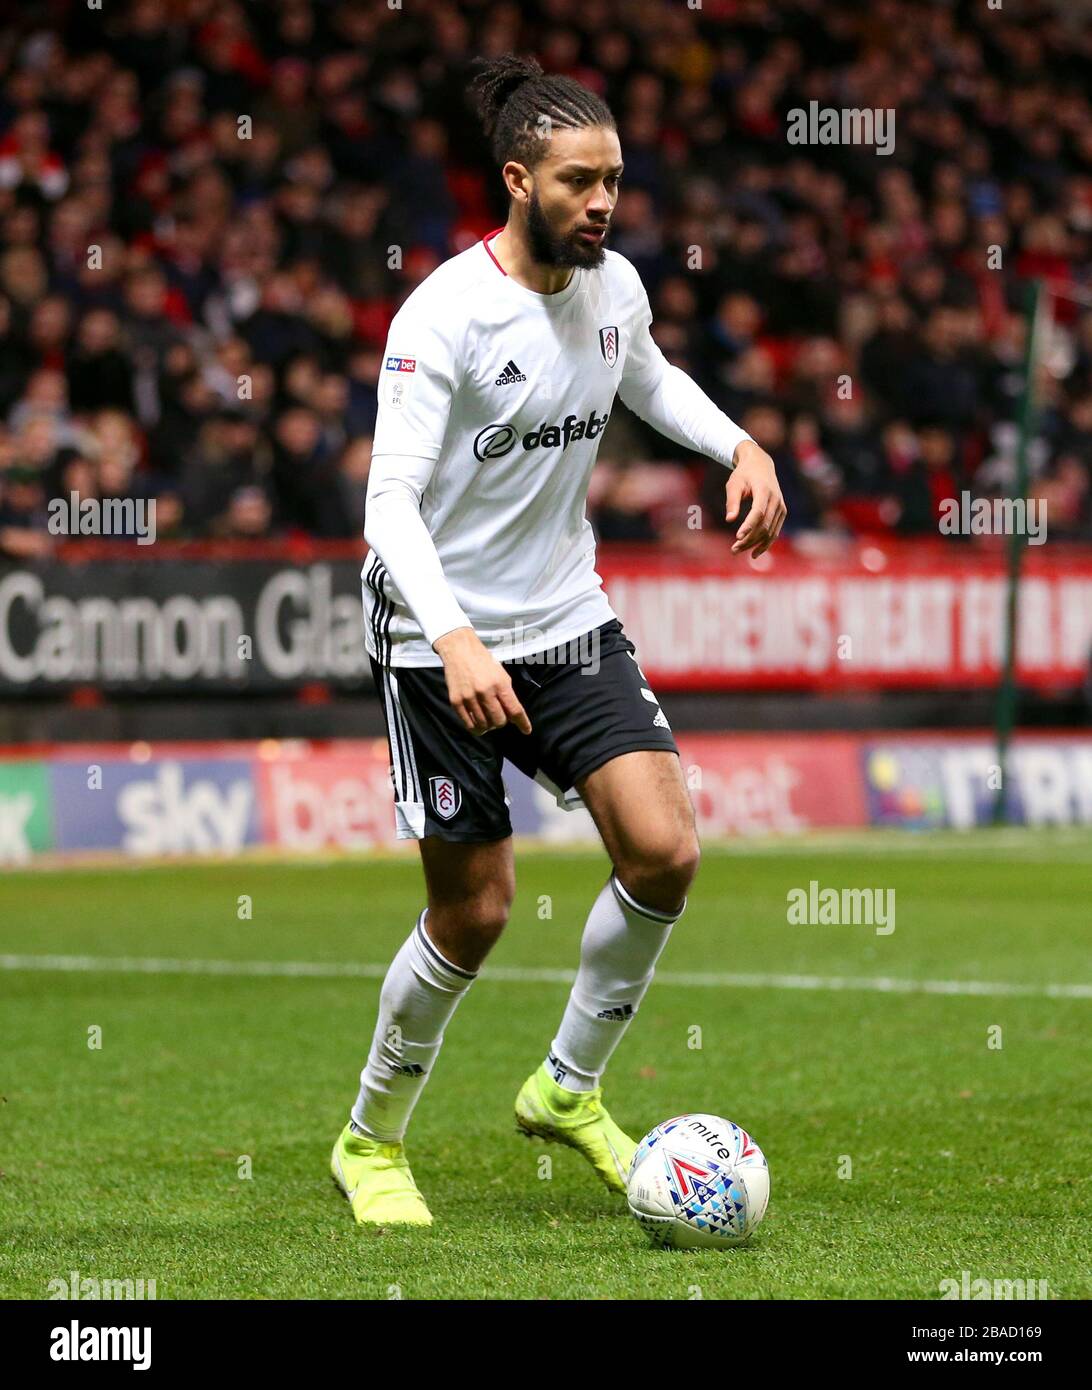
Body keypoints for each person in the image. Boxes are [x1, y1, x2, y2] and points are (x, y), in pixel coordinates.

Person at [332, 54, 786, 1226]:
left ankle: (567, 1087)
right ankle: (370, 1140)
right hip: (443, 639)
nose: (603, 203)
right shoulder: (441, 316)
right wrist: (457, 637)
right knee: (476, 910)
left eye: (615, 182)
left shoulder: (614, 286)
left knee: (665, 848)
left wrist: (738, 443)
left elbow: (649, 377)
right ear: (516, 178)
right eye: (581, 182)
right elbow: (387, 506)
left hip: (568, 619)